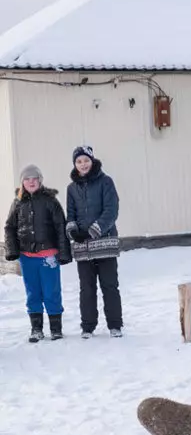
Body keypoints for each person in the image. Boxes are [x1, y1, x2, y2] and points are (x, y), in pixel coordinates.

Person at [4, 165, 72, 342]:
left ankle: (56, 328)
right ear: (22, 182)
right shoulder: (18, 203)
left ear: (40, 181)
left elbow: (60, 227)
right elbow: (10, 227)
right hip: (27, 257)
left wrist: (64, 252)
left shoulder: (50, 201)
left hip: (49, 256)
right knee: (33, 292)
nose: (31, 181)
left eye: (34, 178)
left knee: (51, 291)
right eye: (27, 179)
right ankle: (36, 328)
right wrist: (12, 250)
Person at [65, 145, 123, 338]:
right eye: (79, 161)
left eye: (86, 160)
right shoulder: (72, 188)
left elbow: (111, 210)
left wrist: (93, 230)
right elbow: (71, 213)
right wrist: (73, 231)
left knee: (109, 285)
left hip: (104, 242)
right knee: (87, 288)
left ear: (92, 161)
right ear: (75, 164)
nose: (83, 164)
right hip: (83, 246)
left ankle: (115, 325)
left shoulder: (106, 182)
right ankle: (88, 326)